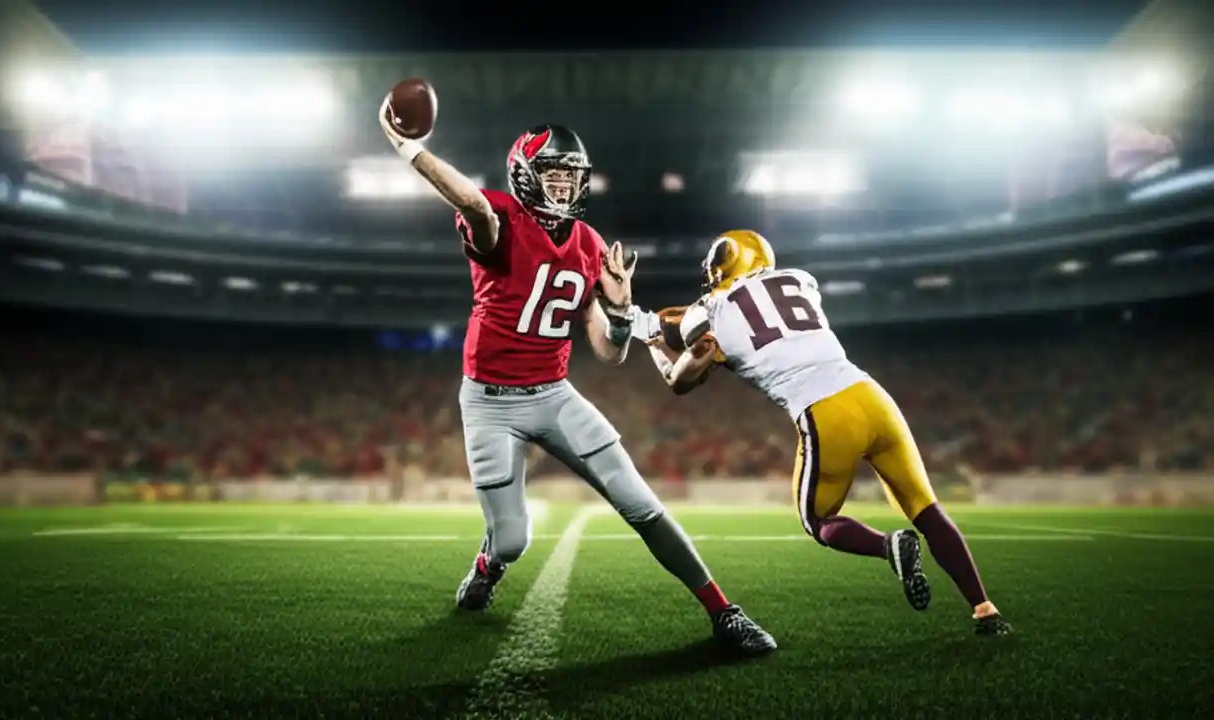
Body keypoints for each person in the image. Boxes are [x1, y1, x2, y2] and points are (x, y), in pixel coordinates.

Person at [378, 102, 776, 653]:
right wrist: (408, 147)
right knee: (512, 540)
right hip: (491, 402)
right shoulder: (499, 219)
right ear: (524, 174)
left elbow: (608, 353)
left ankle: (724, 611)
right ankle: (489, 564)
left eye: (572, 174)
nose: (564, 184)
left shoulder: (589, 243)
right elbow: (472, 202)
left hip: (554, 394)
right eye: (552, 172)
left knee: (641, 503)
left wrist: (620, 312)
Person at [636, 229, 1010, 636]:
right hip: (873, 398)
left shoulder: (707, 313)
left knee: (817, 520)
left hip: (824, 412)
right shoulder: (799, 281)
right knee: (927, 509)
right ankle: (985, 609)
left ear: (721, 266)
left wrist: (654, 338)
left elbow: (682, 378)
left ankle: (889, 546)